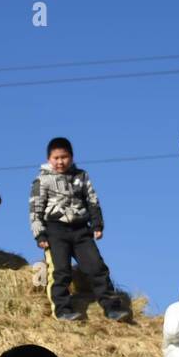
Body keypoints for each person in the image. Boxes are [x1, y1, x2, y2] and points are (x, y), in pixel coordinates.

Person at [29, 137, 129, 322]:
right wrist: (40, 234)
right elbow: (36, 208)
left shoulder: (81, 176)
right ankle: (62, 310)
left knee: (96, 267)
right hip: (55, 230)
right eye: (56, 158)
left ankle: (111, 307)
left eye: (64, 157)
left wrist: (97, 224)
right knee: (60, 270)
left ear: (72, 157)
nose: (60, 162)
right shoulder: (42, 180)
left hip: (81, 229)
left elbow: (92, 200)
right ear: (49, 159)